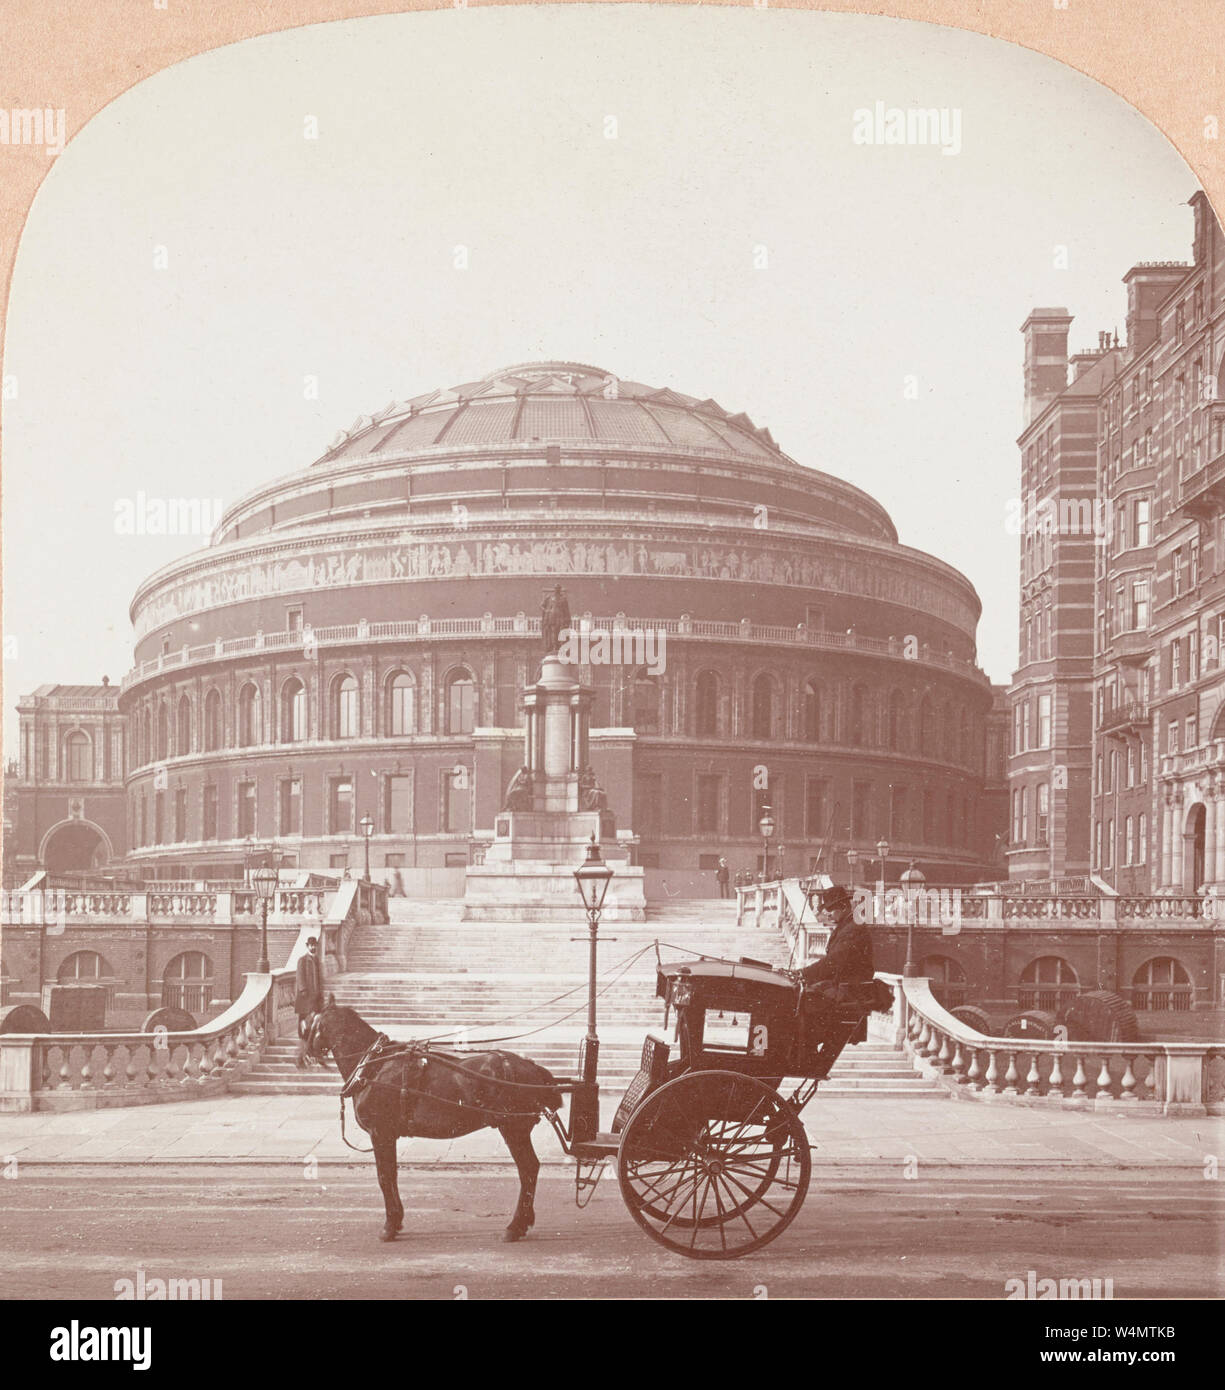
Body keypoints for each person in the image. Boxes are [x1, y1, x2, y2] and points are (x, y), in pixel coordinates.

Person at [295, 936, 325, 1069]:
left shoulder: (317, 960)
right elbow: (300, 979)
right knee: (304, 1030)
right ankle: (300, 1059)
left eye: (315, 945)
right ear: (307, 946)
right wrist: (304, 992)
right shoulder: (302, 960)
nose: (313, 947)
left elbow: (319, 981)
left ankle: (312, 1055)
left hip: (316, 1002)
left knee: (315, 1029)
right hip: (305, 1003)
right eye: (311, 945)